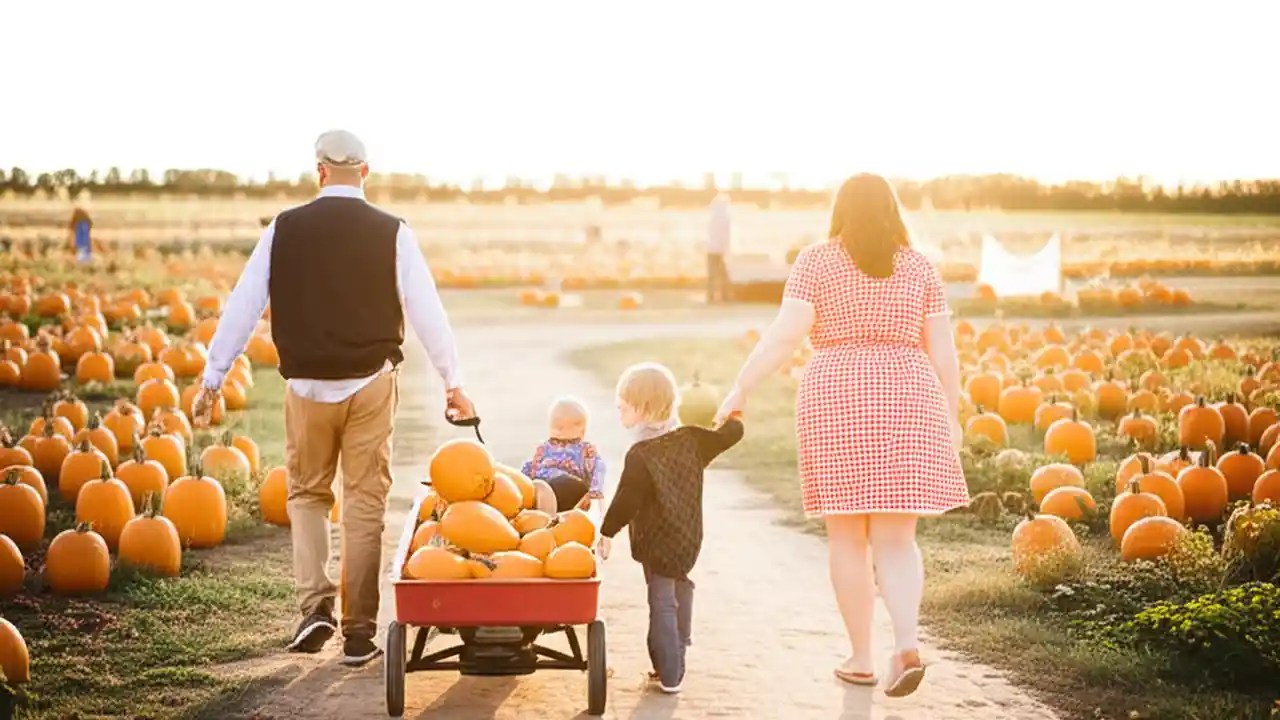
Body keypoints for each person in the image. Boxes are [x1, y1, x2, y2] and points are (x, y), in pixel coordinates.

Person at [192, 130, 475, 667]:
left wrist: (212, 378)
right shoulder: (393, 231)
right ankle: (360, 630)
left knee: (307, 496)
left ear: (319, 171)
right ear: (365, 173)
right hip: (370, 382)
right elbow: (426, 311)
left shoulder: (284, 229)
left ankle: (314, 610)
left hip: (305, 387)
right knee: (365, 503)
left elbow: (243, 305)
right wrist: (452, 381)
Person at [713, 174, 968, 698]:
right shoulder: (920, 266)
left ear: (841, 211)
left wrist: (742, 385)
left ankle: (861, 658)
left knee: (848, 537)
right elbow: (944, 352)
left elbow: (785, 334)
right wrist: (953, 412)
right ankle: (906, 642)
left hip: (837, 397)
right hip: (909, 395)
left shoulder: (817, 261)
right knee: (898, 540)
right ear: (893, 211)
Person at [597, 362, 744, 694]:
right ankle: (677, 649)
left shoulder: (641, 454)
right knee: (679, 582)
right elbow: (730, 435)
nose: (618, 411)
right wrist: (732, 415)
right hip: (688, 536)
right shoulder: (692, 439)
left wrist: (606, 532)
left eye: (623, 406)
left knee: (661, 600)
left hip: (655, 540)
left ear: (644, 409)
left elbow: (626, 500)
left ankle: (670, 671)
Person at [521, 396, 607, 513]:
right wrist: (520, 479)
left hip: (569, 489)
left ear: (582, 431)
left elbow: (599, 468)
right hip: (541, 486)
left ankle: (547, 521)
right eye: (555, 426)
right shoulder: (545, 448)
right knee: (536, 487)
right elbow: (531, 465)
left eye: (561, 427)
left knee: (547, 487)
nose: (558, 431)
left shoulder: (585, 450)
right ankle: (540, 518)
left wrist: (594, 491)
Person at [705, 193, 732, 304]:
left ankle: (711, 296)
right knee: (723, 274)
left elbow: (710, 234)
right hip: (721, 250)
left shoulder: (712, 217)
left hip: (712, 249)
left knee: (713, 274)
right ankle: (725, 296)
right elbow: (727, 235)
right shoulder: (726, 218)